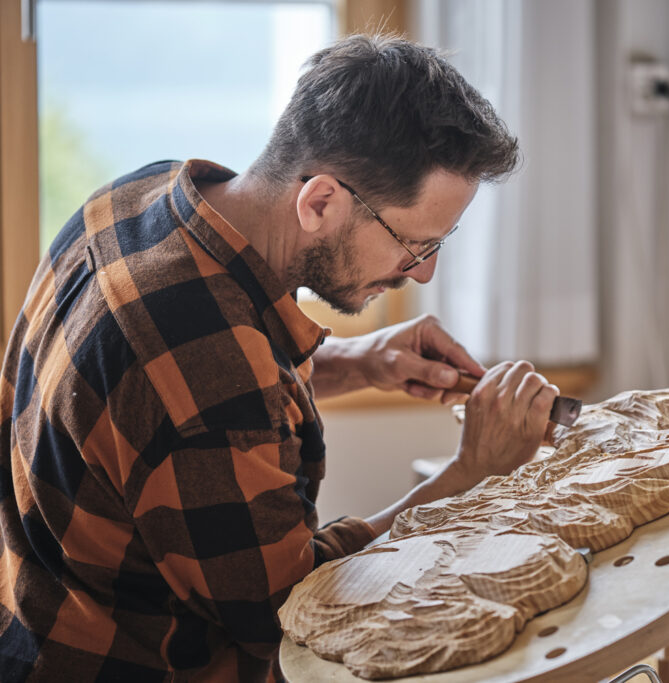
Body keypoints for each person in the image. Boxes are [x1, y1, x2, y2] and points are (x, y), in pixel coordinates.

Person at [0, 34, 559, 681]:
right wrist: (470, 474)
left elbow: (180, 389)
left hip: (34, 619)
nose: (423, 273)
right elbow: (296, 610)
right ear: (319, 201)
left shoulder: (142, 195)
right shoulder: (211, 371)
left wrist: (360, 360)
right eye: (413, 243)